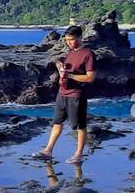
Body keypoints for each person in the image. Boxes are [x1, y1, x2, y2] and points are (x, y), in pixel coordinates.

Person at [37, 25, 96, 163]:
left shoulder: (88, 54)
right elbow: (65, 72)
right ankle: (48, 150)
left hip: (76, 94)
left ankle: (79, 154)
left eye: (72, 39)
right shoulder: (70, 52)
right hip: (62, 92)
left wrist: (70, 76)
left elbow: (90, 77)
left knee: (79, 125)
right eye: (67, 40)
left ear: (80, 37)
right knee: (57, 122)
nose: (69, 42)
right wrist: (60, 67)